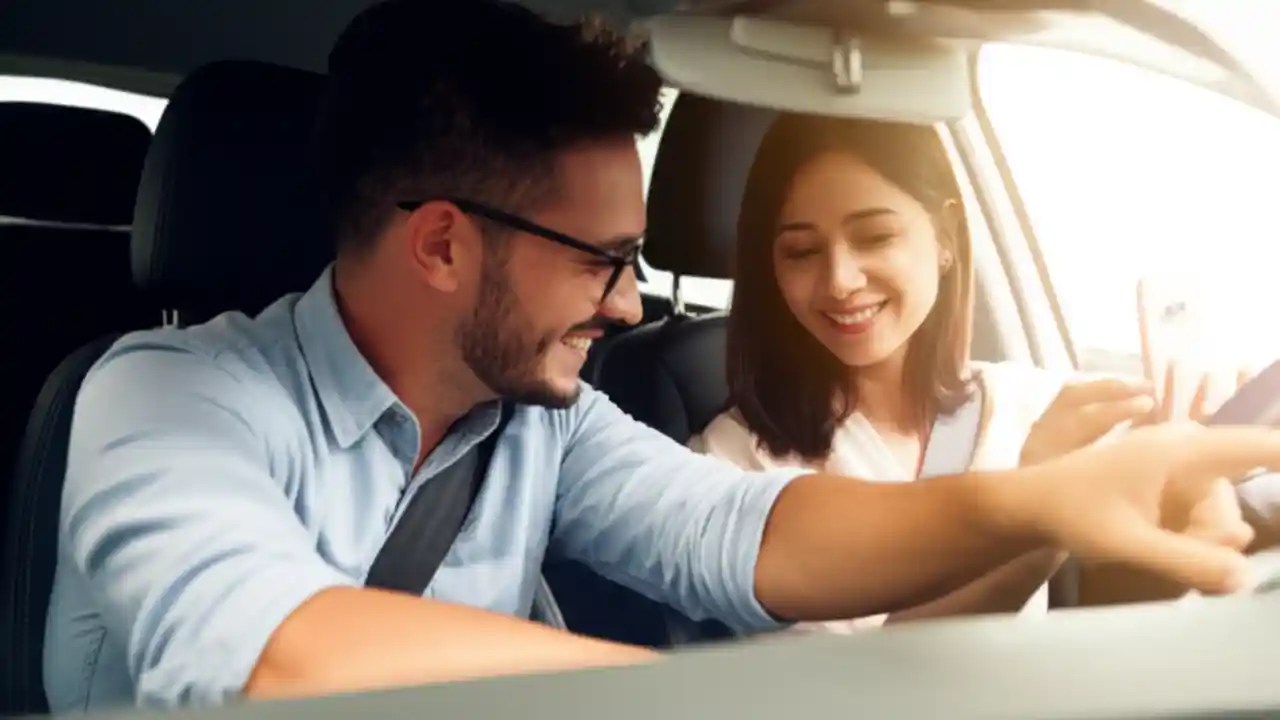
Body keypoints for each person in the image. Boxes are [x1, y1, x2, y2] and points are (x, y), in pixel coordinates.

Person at [44, 0, 1275, 712]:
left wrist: (1037, 500)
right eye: (601, 260)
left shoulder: (538, 419)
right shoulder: (164, 399)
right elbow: (278, 655)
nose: (632, 306)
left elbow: (750, 533)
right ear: (440, 247)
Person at [689, 114, 1161, 630]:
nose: (841, 281)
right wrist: (1038, 515)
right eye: (802, 251)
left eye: (874, 236)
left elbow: (1190, 467)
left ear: (946, 237)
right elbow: (844, 697)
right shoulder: (730, 465)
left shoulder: (1031, 406)